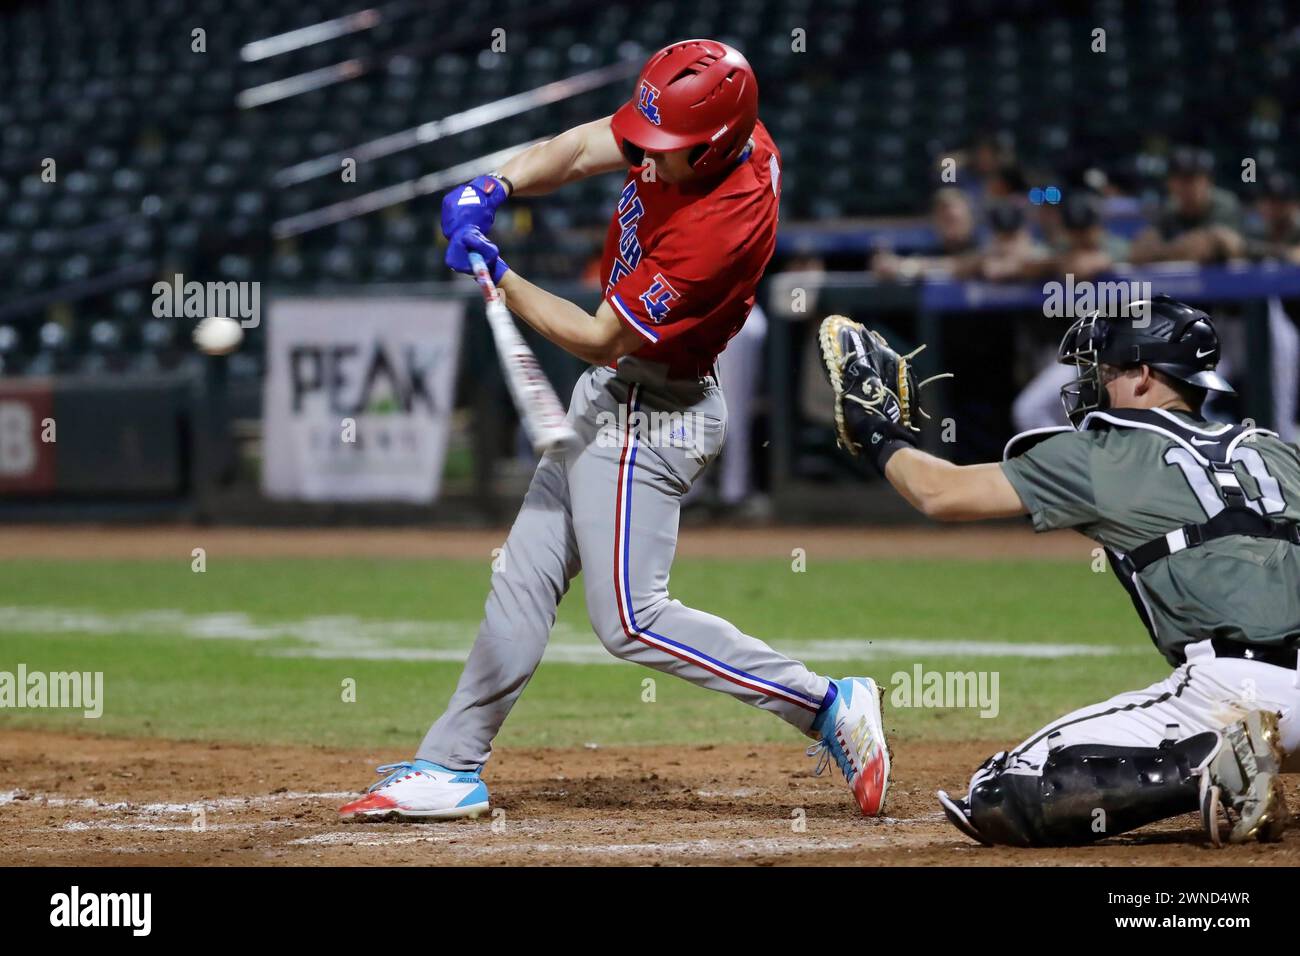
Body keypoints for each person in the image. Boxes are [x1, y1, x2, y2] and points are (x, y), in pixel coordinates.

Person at [338, 39, 889, 822]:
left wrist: (499, 274)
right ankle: (450, 764)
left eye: (667, 153)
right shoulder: (701, 129)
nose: (647, 160)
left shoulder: (721, 226)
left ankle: (825, 703)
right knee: (524, 575)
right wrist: (494, 183)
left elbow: (600, 336)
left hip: (654, 411)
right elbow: (585, 146)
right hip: (617, 396)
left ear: (715, 147)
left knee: (630, 618)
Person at [820, 295, 1298, 846]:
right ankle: (1233, 761)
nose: (1097, 384)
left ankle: (1214, 769)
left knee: (998, 790)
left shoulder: (1103, 452)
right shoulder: (1277, 451)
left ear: (1144, 376)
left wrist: (876, 431)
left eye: (1108, 372)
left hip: (1229, 694)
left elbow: (939, 493)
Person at [1129, 146, 1245, 264]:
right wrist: (1176, 249)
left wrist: (1166, 251)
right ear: (1170, 183)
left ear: (1208, 181)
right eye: (1181, 179)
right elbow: (1141, 251)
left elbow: (1222, 245)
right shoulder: (1170, 208)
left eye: (1195, 179)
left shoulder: (1224, 203)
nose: (1189, 187)